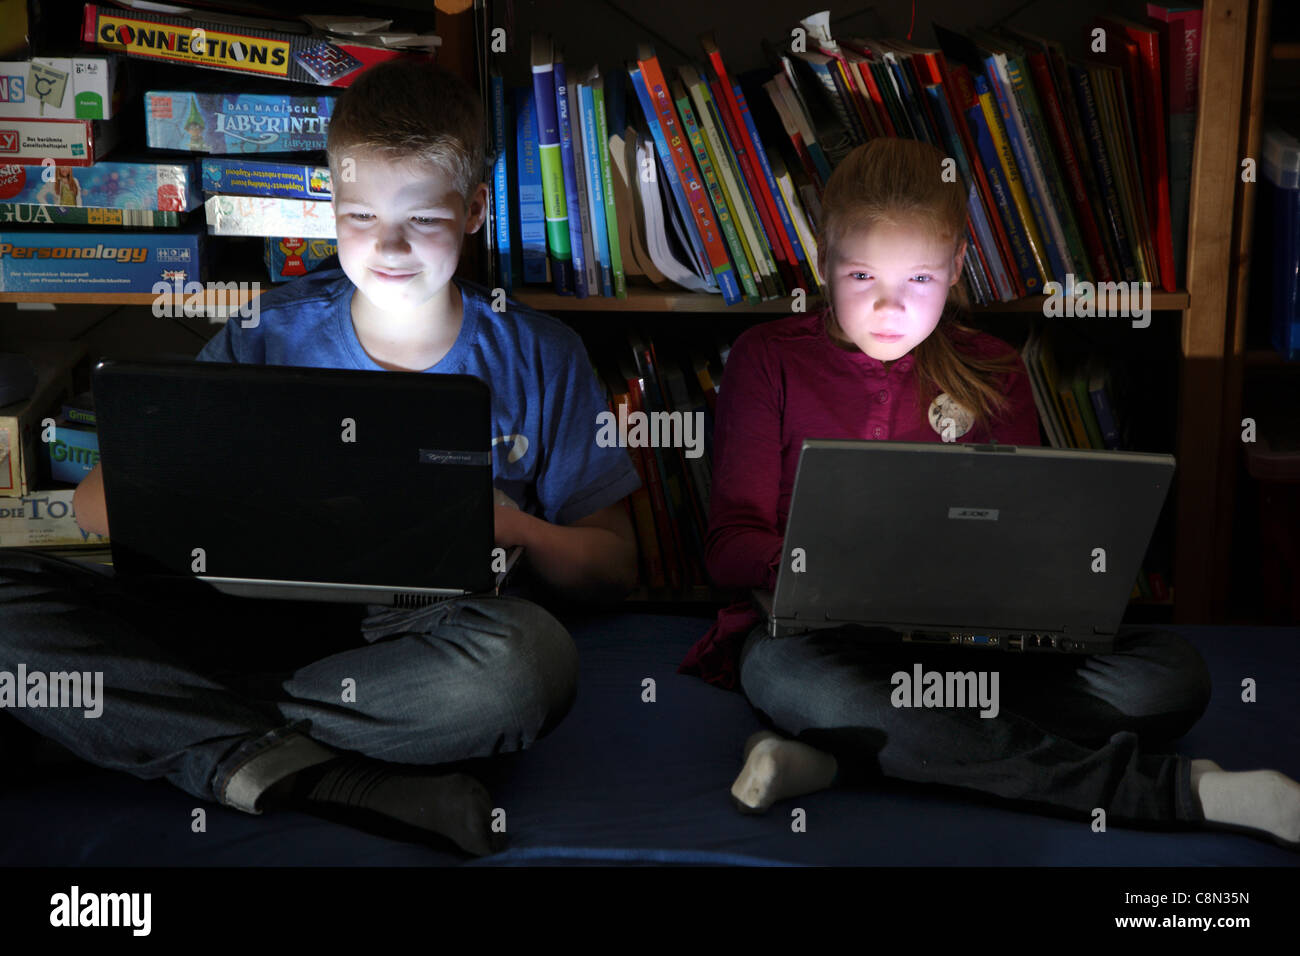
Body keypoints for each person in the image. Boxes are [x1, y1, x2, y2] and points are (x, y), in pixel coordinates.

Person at [0, 60, 640, 858]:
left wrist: (517, 528)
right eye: (361, 216)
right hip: (235, 610)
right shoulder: (268, 332)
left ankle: (163, 723)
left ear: (475, 209)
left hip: (410, 641)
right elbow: (99, 505)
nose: (389, 246)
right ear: (331, 209)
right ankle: (323, 773)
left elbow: (616, 564)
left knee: (526, 667)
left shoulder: (542, 354)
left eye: (423, 219)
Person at [679, 137, 1300, 849]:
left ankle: (840, 758)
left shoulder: (992, 369)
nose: (888, 306)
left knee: (1169, 676)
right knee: (814, 690)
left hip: (974, 654)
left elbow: (1021, 535)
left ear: (956, 269)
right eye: (859, 277)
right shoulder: (769, 360)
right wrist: (817, 570)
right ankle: (1184, 794)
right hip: (820, 648)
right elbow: (730, 545)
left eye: (918, 279)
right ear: (824, 263)